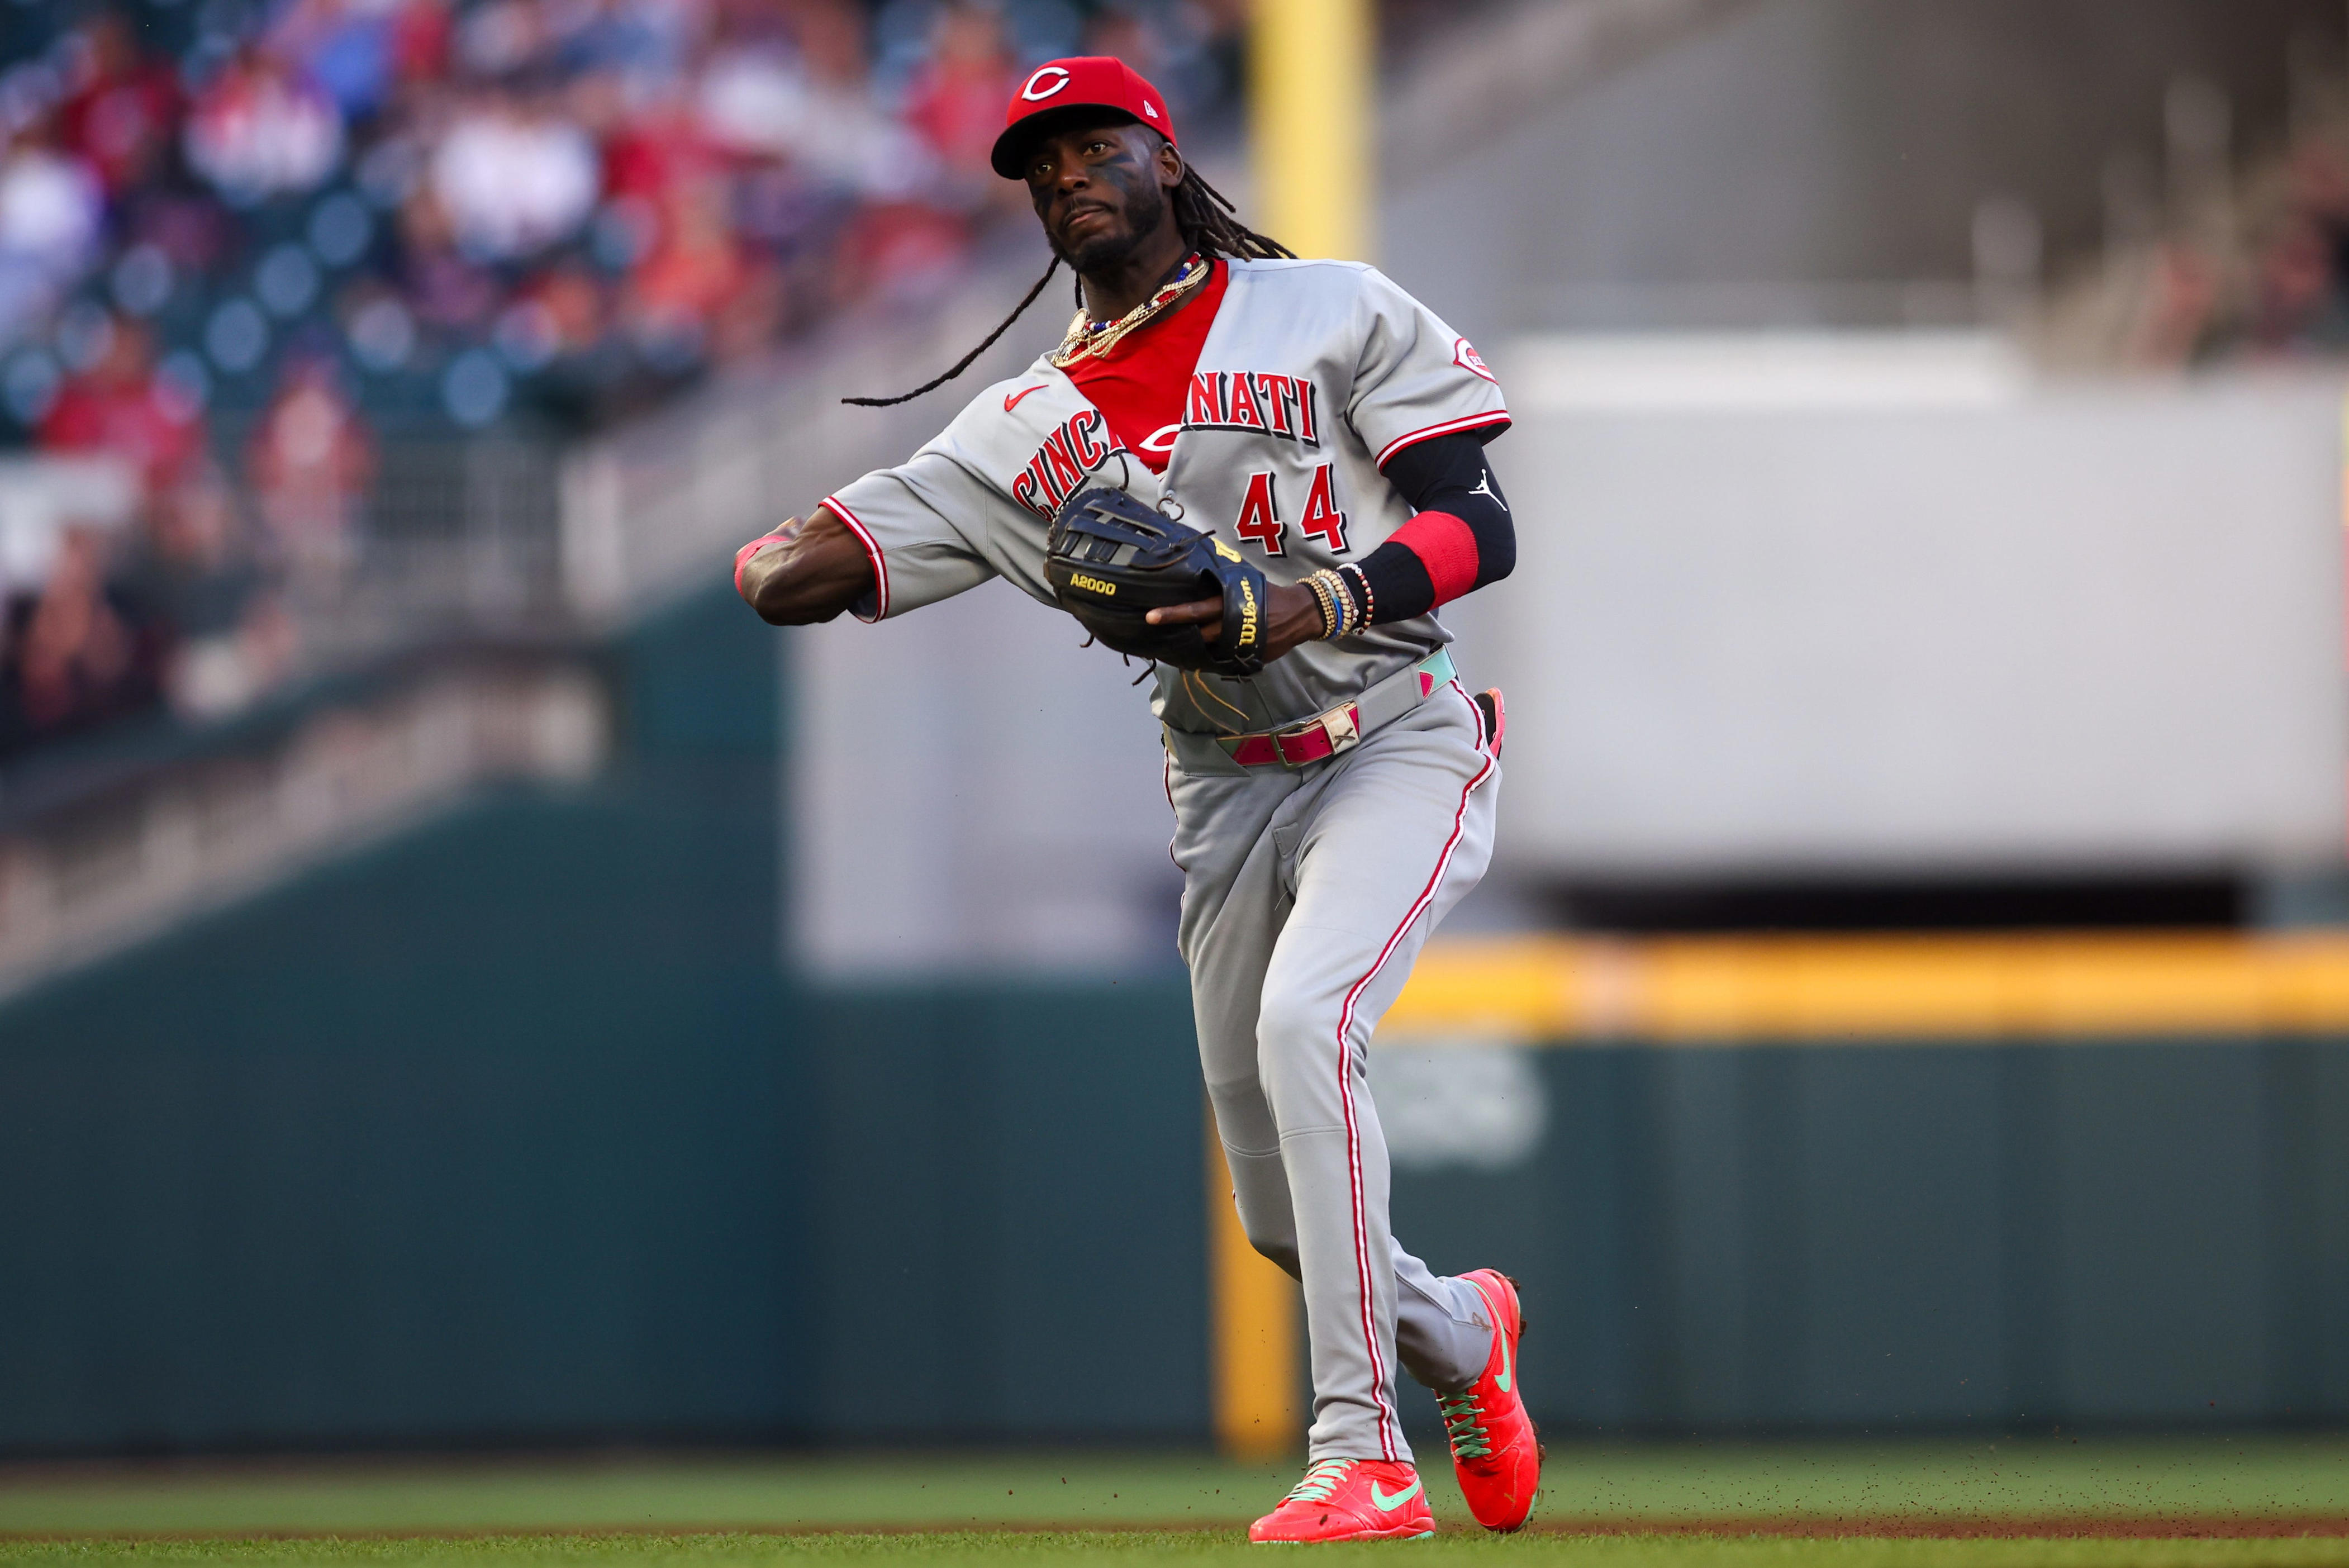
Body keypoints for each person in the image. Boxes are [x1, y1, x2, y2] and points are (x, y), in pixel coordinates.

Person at [735, 58, 1537, 1544]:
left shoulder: (1329, 307)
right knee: (1277, 1215)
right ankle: (1465, 1340)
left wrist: (1315, 602)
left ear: (1166, 160)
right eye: (1038, 162)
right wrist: (773, 562)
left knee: (1311, 1025)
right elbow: (795, 574)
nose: (1065, 174)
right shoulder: (1010, 435)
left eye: (1093, 143)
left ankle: (1362, 1453)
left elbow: (1477, 524)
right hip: (1222, 788)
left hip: (1390, 738)